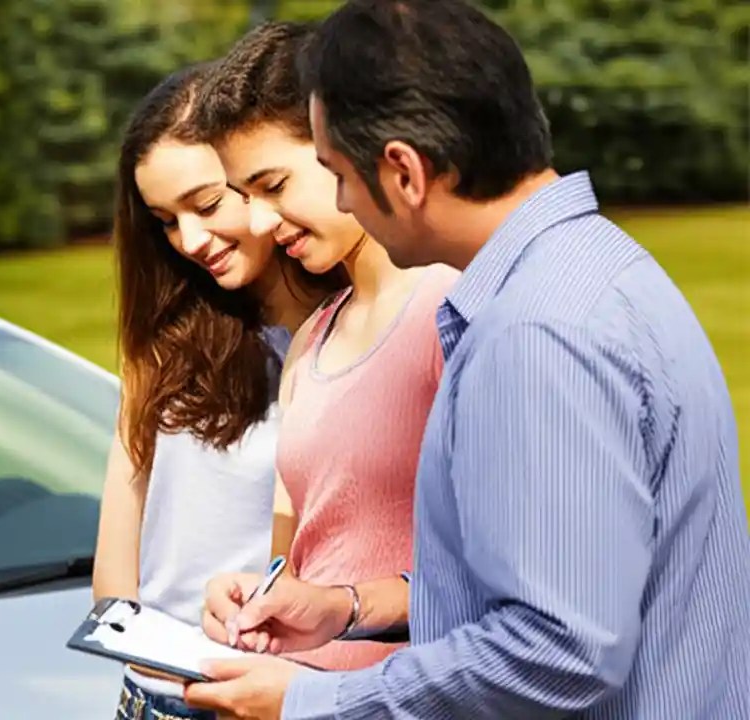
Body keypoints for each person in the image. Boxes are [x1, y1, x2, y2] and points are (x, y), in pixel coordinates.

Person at [185, 1, 750, 718]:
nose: (339, 200)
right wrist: (346, 610)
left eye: (336, 174)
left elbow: (562, 650)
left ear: (404, 173)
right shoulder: (596, 269)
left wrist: (319, 701)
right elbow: (559, 590)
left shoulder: (536, 332)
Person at [188, 20, 459, 673]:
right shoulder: (312, 336)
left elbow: (506, 586)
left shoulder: (449, 309)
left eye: (274, 186)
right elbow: (310, 555)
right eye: (243, 196)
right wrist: (258, 602)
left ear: (341, 146)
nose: (256, 222)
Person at [91, 62, 343, 720]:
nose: (190, 241)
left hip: (267, 697)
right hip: (150, 696)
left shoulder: (342, 342)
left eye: (206, 204)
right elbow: (122, 531)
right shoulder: (167, 337)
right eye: (166, 221)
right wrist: (135, 650)